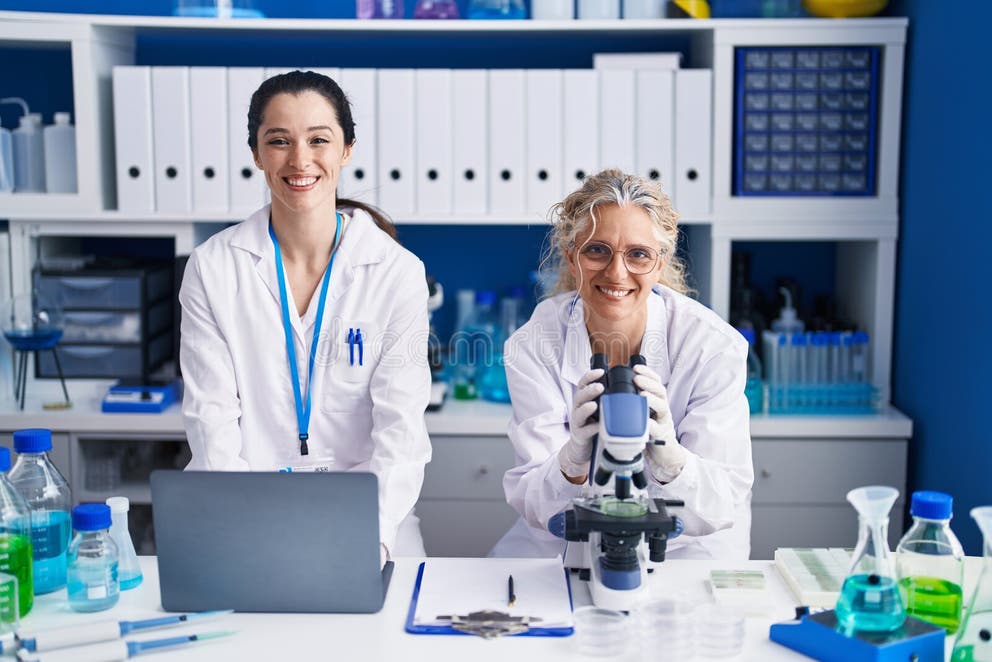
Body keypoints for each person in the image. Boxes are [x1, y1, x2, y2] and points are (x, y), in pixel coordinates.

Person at [179, 71, 431, 560]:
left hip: (369, 517)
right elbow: (211, 423)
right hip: (244, 512)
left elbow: (401, 435)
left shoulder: (397, 272)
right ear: (256, 153)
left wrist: (367, 540)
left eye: (319, 139)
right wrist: (249, 533)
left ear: (346, 149)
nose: (300, 160)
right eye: (279, 141)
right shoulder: (212, 267)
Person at [491, 169, 753, 560]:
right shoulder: (535, 344)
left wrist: (670, 459)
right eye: (597, 250)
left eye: (638, 254)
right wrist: (572, 459)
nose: (616, 272)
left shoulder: (710, 346)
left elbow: (721, 502)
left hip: (687, 546)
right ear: (571, 256)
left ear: (660, 264)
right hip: (564, 540)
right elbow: (534, 500)